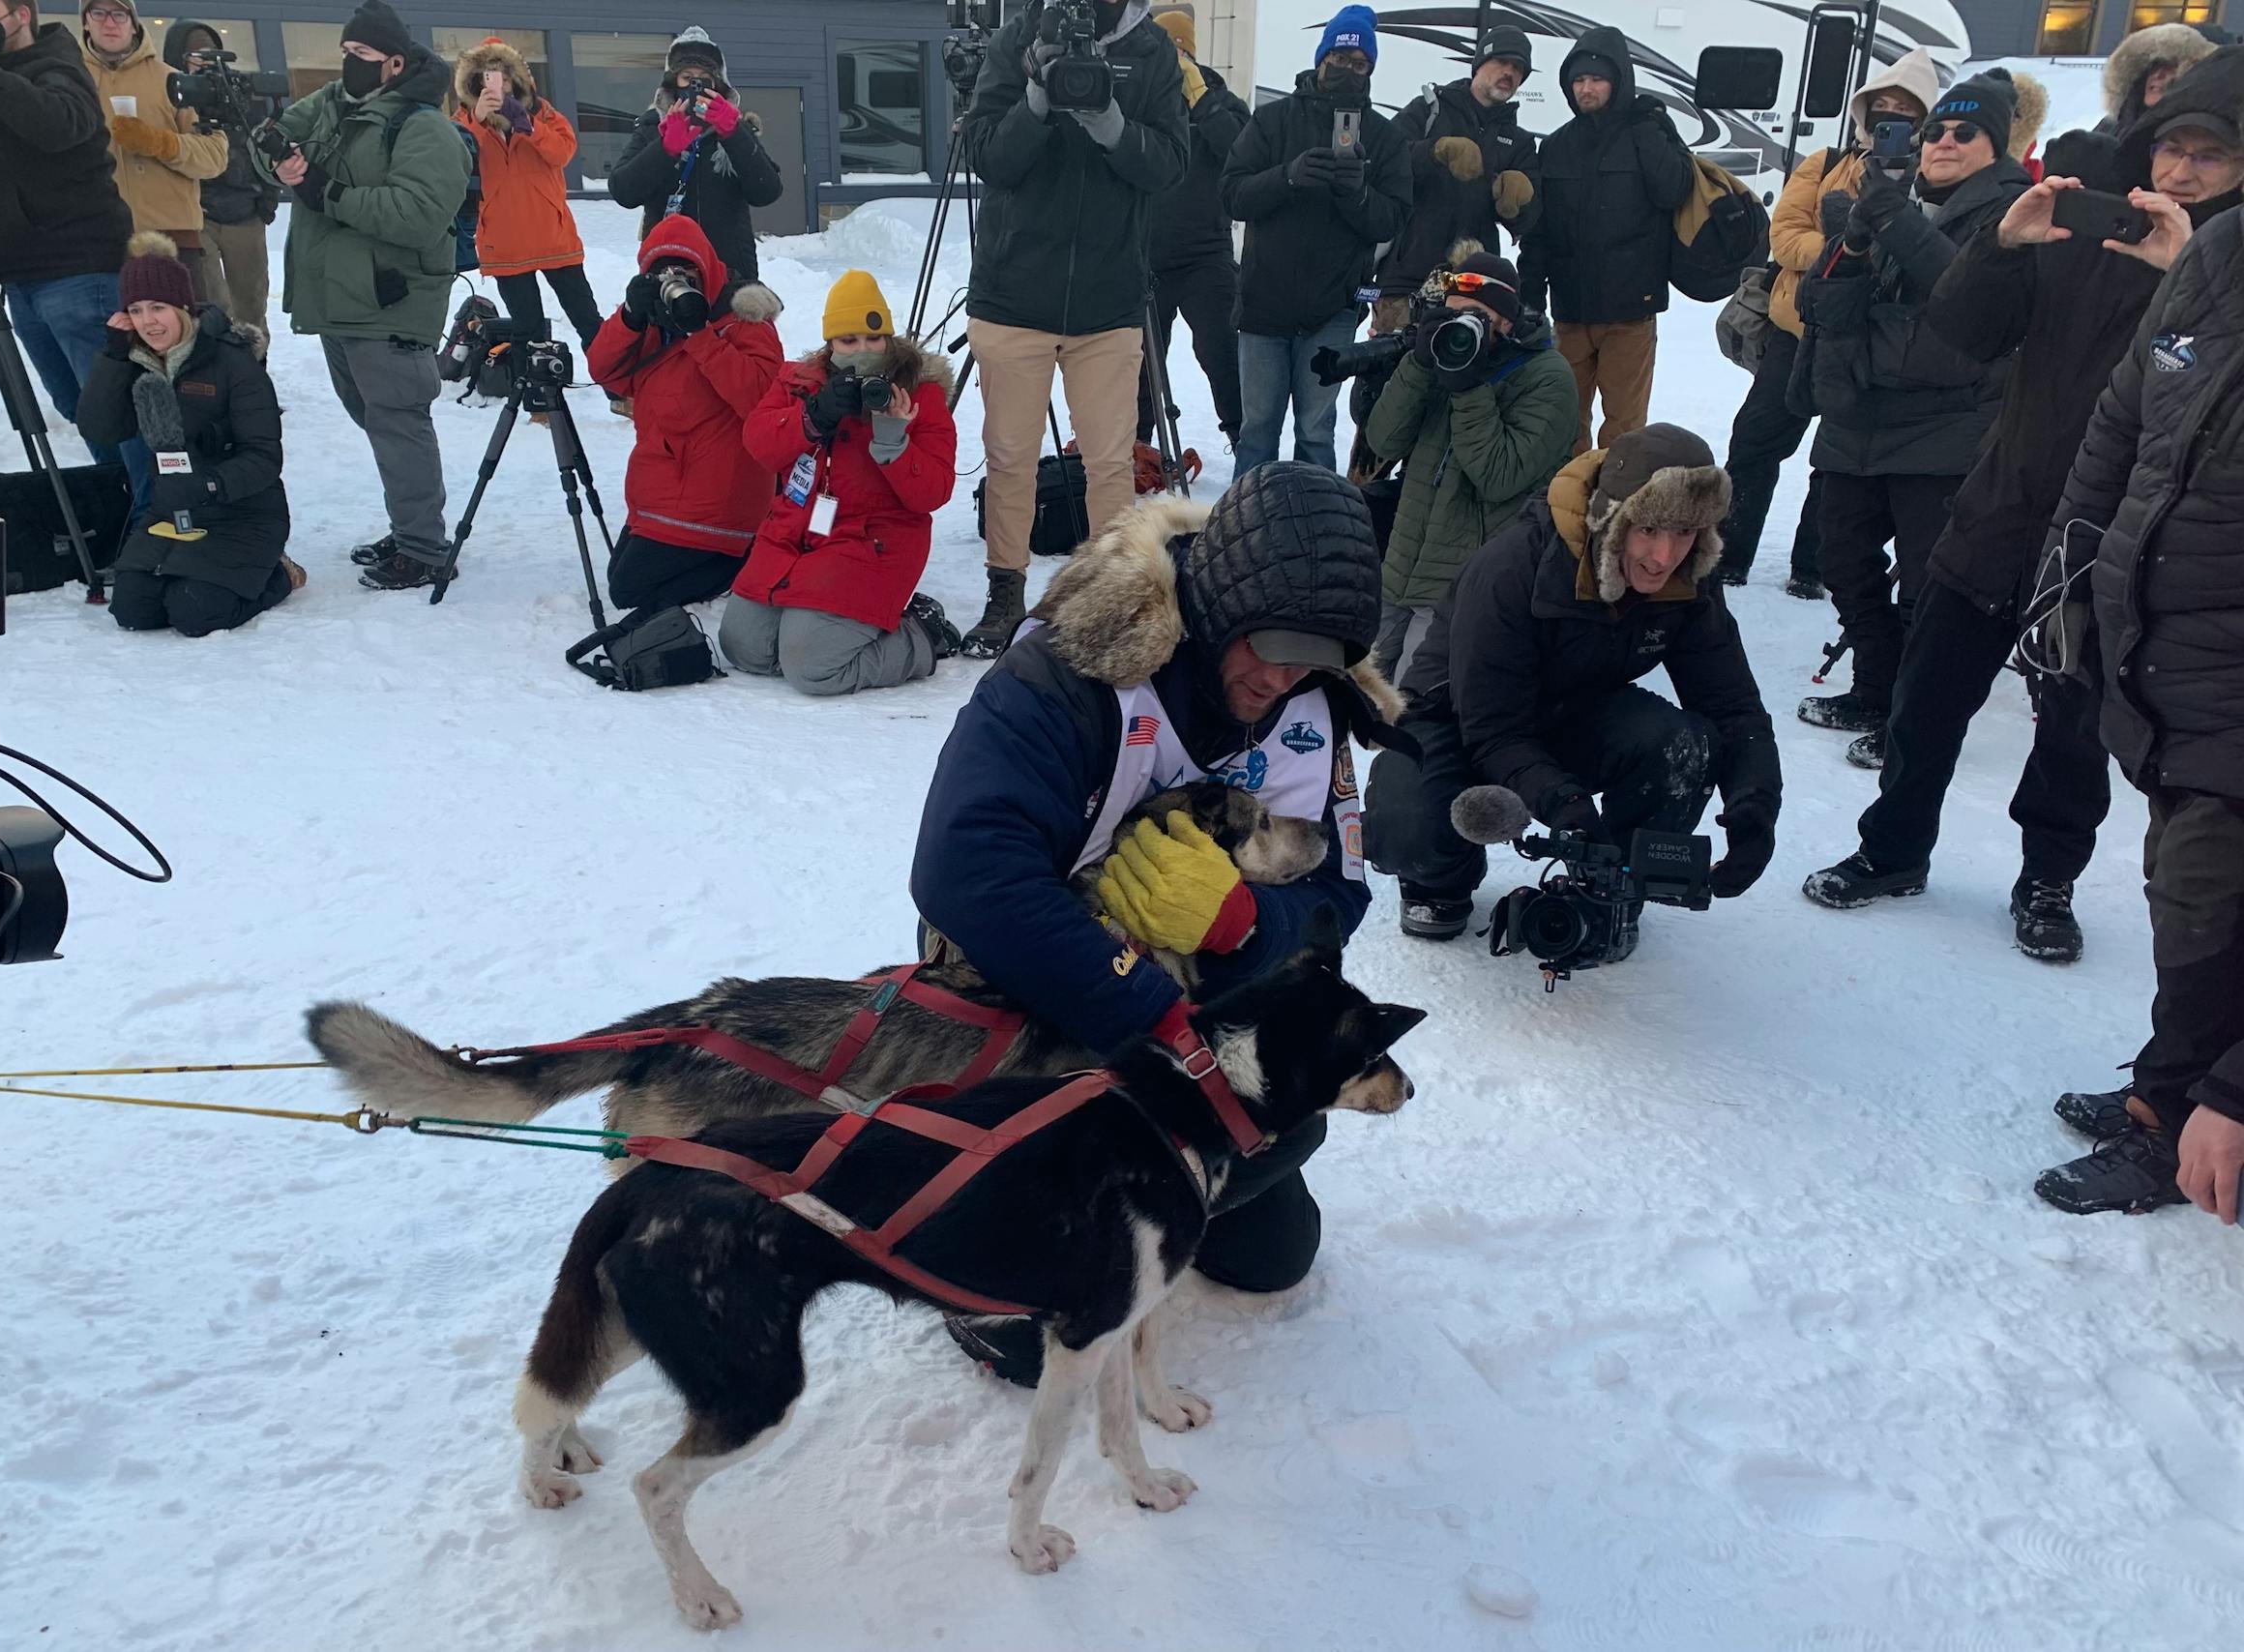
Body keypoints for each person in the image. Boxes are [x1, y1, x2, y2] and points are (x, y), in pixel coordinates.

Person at [912, 462, 1399, 1383]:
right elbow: (964, 867)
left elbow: (1343, 889)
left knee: (1272, 1251)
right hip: (1030, 983)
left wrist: (1244, 922)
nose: (1286, 674)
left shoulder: (1312, 705)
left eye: (1316, 656)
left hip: (1196, 988)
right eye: (1272, 644)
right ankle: (1008, 1222)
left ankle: (1155, 1191)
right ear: (1216, 607)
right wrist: (1146, 1015)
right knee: (1032, 1341)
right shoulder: (1080, 661)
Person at [1804, 48, 2244, 957]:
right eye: (2173, 147)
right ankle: (1891, 847)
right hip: (2003, 500)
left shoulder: (2224, 269)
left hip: (2116, 541)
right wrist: (2003, 245)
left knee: (2070, 732)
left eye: (2210, 156)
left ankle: (2049, 879)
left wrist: (2185, 276)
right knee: (1926, 699)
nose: (2182, 171)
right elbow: (1966, 332)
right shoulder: (2091, 225)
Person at [2029, 183, 2244, 1224]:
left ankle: (2180, 1120)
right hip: (2156, 652)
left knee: (2206, 899)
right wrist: (2073, 562)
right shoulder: (2219, 259)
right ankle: (2177, 1083)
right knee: (2182, 889)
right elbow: (2124, 414)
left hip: (2230, 669)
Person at [1363, 425, 1782, 946]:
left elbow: (1731, 705)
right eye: (1648, 530)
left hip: (1572, 712)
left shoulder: (1688, 578)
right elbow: (1494, 727)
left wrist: (1755, 804)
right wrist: (1562, 803)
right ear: (1612, 519)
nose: (1664, 555)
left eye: (1685, 532)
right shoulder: (1513, 566)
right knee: (1412, 826)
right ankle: (1438, 880)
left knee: (1684, 744)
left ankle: (1614, 886)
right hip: (1458, 719)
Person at [1789, 70, 2034, 745]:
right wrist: (1859, 243)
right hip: (1857, 416)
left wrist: (1894, 222)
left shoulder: (2012, 211)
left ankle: (1910, 710)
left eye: (1965, 132)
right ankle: (1873, 686)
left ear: (1995, 145)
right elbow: (1822, 309)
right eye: (1934, 133)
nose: (1943, 144)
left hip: (1947, 424)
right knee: (1841, 562)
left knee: (1929, 584)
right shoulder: (1889, 198)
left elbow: (1969, 296)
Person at [958, 0, 1187, 659]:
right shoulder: (1016, 40)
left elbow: (1171, 165)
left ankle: (1107, 598)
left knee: (1111, 464)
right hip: (1012, 295)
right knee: (1010, 459)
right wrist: (1035, 101)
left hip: (1108, 301)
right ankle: (1006, 596)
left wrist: (1111, 126)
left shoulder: (1151, 52)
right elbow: (987, 157)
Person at [253, 0, 470, 592]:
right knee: (373, 419)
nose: (349, 64)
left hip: (390, 299)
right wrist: (272, 150)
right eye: (346, 53)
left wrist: (326, 192)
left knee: (398, 421)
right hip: (337, 296)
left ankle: (424, 548)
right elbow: (274, 141)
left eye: (363, 56)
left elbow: (419, 215)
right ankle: (410, 529)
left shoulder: (424, 127)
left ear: (395, 62)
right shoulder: (331, 106)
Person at [1716, 45, 1940, 597]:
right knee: (1754, 444)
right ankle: (1726, 555)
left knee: (1838, 459)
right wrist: (1850, 251)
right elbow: (1784, 236)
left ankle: (1813, 568)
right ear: (1865, 111)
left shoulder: (1931, 177)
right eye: (1882, 104)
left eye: (1906, 108)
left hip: (1870, 344)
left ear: (1923, 118)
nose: (1892, 115)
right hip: (1798, 332)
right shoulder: (1825, 162)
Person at [0, 1, 149, 518]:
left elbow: (57, 124)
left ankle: (155, 520)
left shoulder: (56, 64)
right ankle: (123, 509)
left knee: (118, 407)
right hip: (19, 275)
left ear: (21, 14)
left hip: (80, 265)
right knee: (81, 408)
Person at [722, 271, 962, 695]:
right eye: (849, 340)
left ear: (888, 339)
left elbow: (933, 493)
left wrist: (894, 441)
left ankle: (922, 637)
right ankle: (814, 619)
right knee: (744, 648)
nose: (863, 350)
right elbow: (758, 442)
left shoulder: (918, 393)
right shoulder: (799, 381)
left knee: (812, 668)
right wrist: (811, 418)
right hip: (796, 534)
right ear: (831, 344)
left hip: (873, 542)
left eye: (873, 339)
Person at [1358, 245, 1577, 690]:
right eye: (1452, 313)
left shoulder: (1548, 378)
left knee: (1411, 712)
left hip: (1461, 587)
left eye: (1475, 317)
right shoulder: (1438, 356)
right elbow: (1382, 440)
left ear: (1508, 321)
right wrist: (1419, 364)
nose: (1460, 327)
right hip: (1399, 570)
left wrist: (1469, 387)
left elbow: (1498, 476)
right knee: (1355, 698)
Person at [1220, 5, 1411, 476]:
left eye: (1360, 63)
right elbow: (1232, 195)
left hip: (1333, 310)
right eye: (1339, 58)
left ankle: (1318, 535)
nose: (1348, 70)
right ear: (1321, 57)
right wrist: (1288, 176)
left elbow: (1391, 221)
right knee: (1258, 430)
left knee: (1315, 431)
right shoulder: (1273, 120)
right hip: (1264, 307)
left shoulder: (1385, 138)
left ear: (1371, 70)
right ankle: (1245, 532)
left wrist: (1356, 194)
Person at [78, 233, 298, 635]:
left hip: (242, 514)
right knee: (133, 611)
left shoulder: (233, 361)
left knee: (196, 614)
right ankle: (195, 575)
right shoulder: (137, 363)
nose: (148, 321)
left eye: (158, 308)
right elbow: (101, 429)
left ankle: (280, 574)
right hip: (169, 513)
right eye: (137, 310)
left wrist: (209, 485)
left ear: (183, 306)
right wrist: (112, 357)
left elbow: (265, 459)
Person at [586, 215, 783, 613]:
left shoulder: (744, 322)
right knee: (620, 578)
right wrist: (630, 317)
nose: (676, 280)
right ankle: (733, 558)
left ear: (707, 269)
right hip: (664, 487)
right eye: (662, 271)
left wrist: (700, 334)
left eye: (686, 270)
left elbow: (762, 402)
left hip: (718, 494)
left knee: (629, 592)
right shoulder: (654, 324)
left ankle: (742, 559)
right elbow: (604, 372)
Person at [1515, 25, 1693, 454]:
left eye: (1596, 79)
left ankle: (1614, 516)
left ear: (1619, 82)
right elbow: (1539, 232)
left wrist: (1651, 128)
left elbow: (1674, 190)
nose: (1586, 88)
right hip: (1571, 311)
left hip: (1630, 312)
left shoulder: (1647, 132)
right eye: (1578, 80)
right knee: (1562, 425)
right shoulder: (1555, 147)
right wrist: (1530, 297)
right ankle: (1561, 512)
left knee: (1624, 433)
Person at [1373, 25, 1539, 337]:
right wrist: (1433, 151)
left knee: (1462, 377)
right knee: (1386, 378)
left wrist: (1516, 202)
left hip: (1473, 289)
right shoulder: (1429, 109)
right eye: (1502, 62)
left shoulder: (1520, 143)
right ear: (1479, 63)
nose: (1509, 73)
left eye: (1518, 69)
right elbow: (1384, 161)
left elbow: (1530, 221)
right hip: (1407, 279)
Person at [1134, 9, 1249, 453]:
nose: (1172, 61)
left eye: (1179, 51)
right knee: (1141, 360)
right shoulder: (1141, 97)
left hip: (1206, 253)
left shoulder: (1219, 99)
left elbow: (1241, 151)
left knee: (1221, 348)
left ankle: (1243, 437)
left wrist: (1199, 95)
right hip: (1146, 254)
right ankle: (1137, 444)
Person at [451, 37, 604, 360]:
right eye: (487, 78)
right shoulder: (462, 122)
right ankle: (537, 403)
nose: (497, 86)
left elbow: (563, 153)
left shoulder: (544, 115)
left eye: (503, 77)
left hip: (554, 237)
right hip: (504, 243)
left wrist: (529, 125)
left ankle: (621, 391)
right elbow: (454, 160)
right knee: (527, 328)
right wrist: (477, 120)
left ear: (518, 80)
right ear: (474, 84)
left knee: (589, 322)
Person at [605, 26, 782, 280]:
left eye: (704, 77)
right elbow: (623, 191)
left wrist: (733, 133)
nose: (694, 84)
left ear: (719, 84)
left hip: (730, 270)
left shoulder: (736, 129)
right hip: (668, 268)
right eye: (686, 76)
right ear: (672, 83)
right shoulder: (651, 128)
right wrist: (665, 148)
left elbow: (767, 191)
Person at [79, 0, 226, 292]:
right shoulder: (68, 79)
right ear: (85, 21)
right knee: (109, 337)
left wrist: (161, 143)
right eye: (98, 13)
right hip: (92, 241)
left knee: (182, 334)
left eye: (119, 14)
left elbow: (215, 157)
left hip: (172, 240)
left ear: (133, 23)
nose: (110, 22)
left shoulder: (171, 79)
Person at [165, 20, 280, 339]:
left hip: (245, 214)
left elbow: (266, 145)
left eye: (211, 54)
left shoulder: (241, 95)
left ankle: (254, 376)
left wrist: (266, 198)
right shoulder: (169, 97)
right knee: (213, 306)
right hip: (197, 216)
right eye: (196, 54)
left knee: (252, 308)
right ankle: (220, 376)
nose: (205, 60)